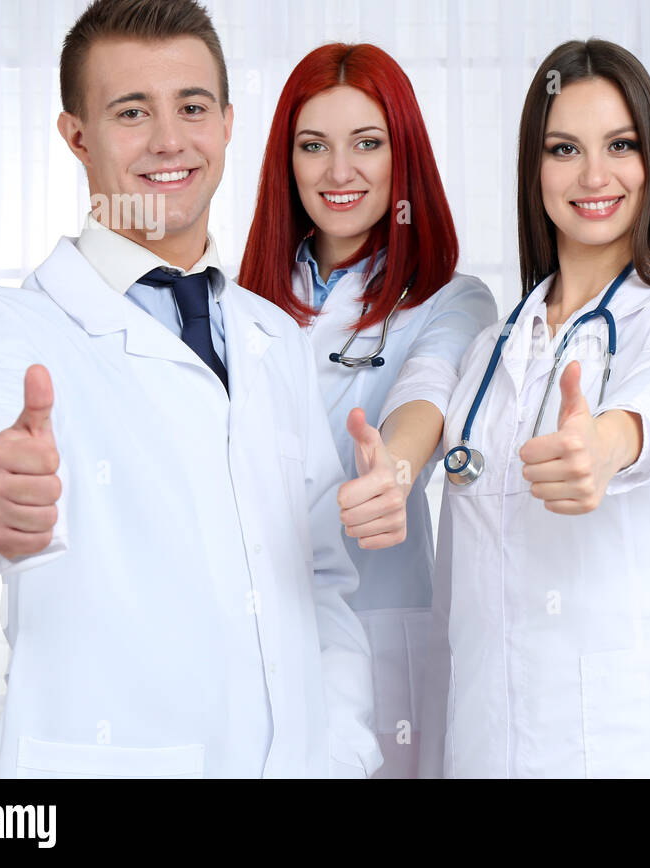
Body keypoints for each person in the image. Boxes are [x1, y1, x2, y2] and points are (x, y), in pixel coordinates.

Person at [0, 0, 381, 778]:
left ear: (227, 124)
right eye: (131, 111)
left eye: (192, 108)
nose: (170, 141)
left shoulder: (274, 337)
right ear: (77, 137)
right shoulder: (13, 325)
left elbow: (323, 582)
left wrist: (342, 751)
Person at [428, 39, 650, 778]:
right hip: (486, 748)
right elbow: (459, 600)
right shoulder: (489, 352)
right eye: (564, 149)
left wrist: (606, 444)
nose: (594, 176)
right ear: (534, 168)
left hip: (636, 745)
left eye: (620, 145)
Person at [238, 42, 496, 778]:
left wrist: (394, 472)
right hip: (259, 629)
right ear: (286, 162)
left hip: (382, 628)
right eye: (313, 145)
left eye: (367, 143)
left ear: (403, 155)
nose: (338, 171)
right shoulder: (237, 306)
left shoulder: (452, 300)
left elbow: (428, 390)